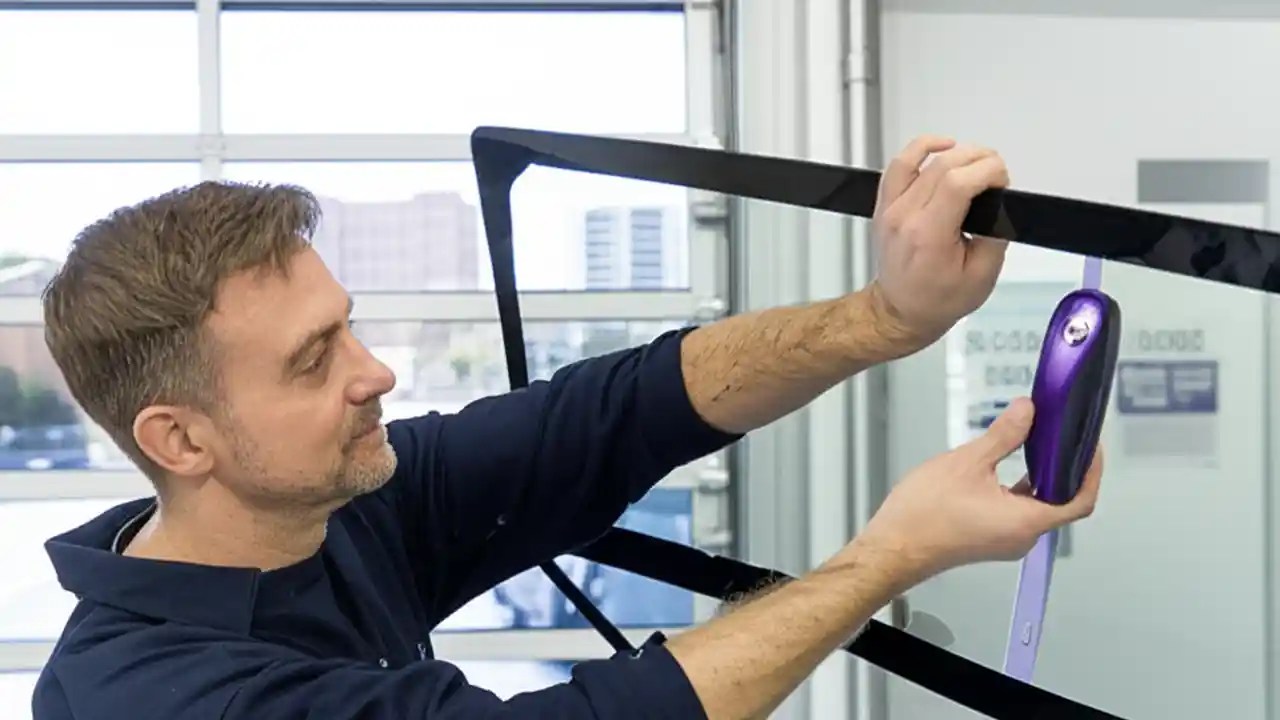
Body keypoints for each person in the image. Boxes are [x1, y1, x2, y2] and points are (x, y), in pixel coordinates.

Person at [30, 135, 1101, 720]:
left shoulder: (317, 508)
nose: (375, 374)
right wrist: (890, 555)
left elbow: (614, 411)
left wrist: (887, 315)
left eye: (347, 330)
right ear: (180, 441)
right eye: (314, 362)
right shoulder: (160, 698)